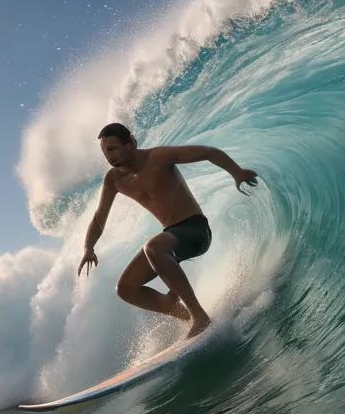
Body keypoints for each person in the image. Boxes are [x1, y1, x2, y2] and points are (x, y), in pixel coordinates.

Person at [77, 122, 258, 338]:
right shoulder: (114, 180)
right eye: (105, 151)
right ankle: (186, 315)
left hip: (196, 230)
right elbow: (99, 219)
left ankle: (200, 316)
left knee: (153, 247)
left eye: (113, 149)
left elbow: (207, 152)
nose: (109, 156)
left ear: (131, 144)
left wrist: (237, 172)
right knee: (126, 289)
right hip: (172, 236)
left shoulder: (159, 157)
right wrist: (89, 248)